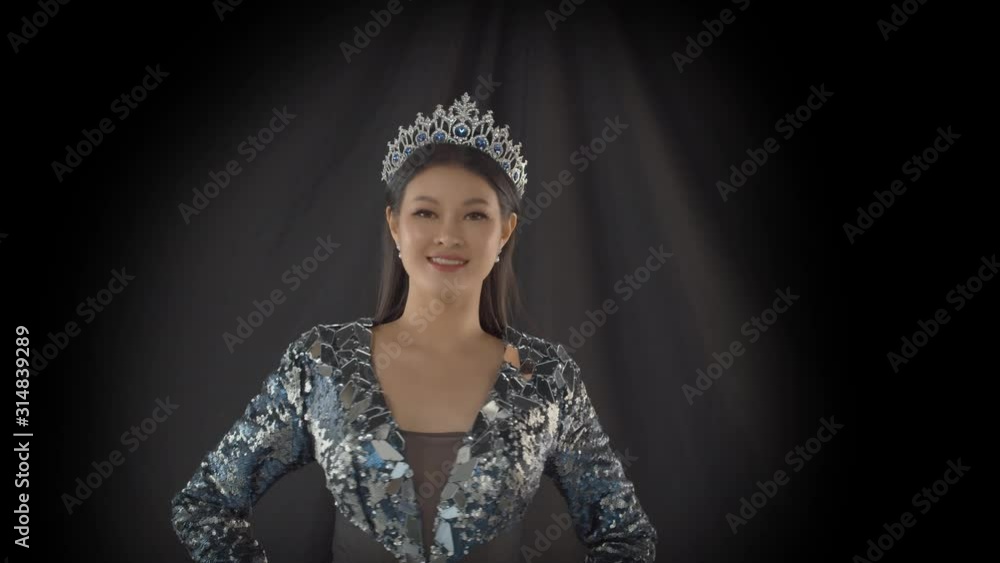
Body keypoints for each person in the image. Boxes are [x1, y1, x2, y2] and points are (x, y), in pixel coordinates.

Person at [170, 92, 657, 562]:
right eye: (425, 212)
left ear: (505, 231)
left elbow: (625, 536)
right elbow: (207, 501)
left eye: (475, 214)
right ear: (395, 225)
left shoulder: (546, 375)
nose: (448, 234)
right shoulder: (324, 362)